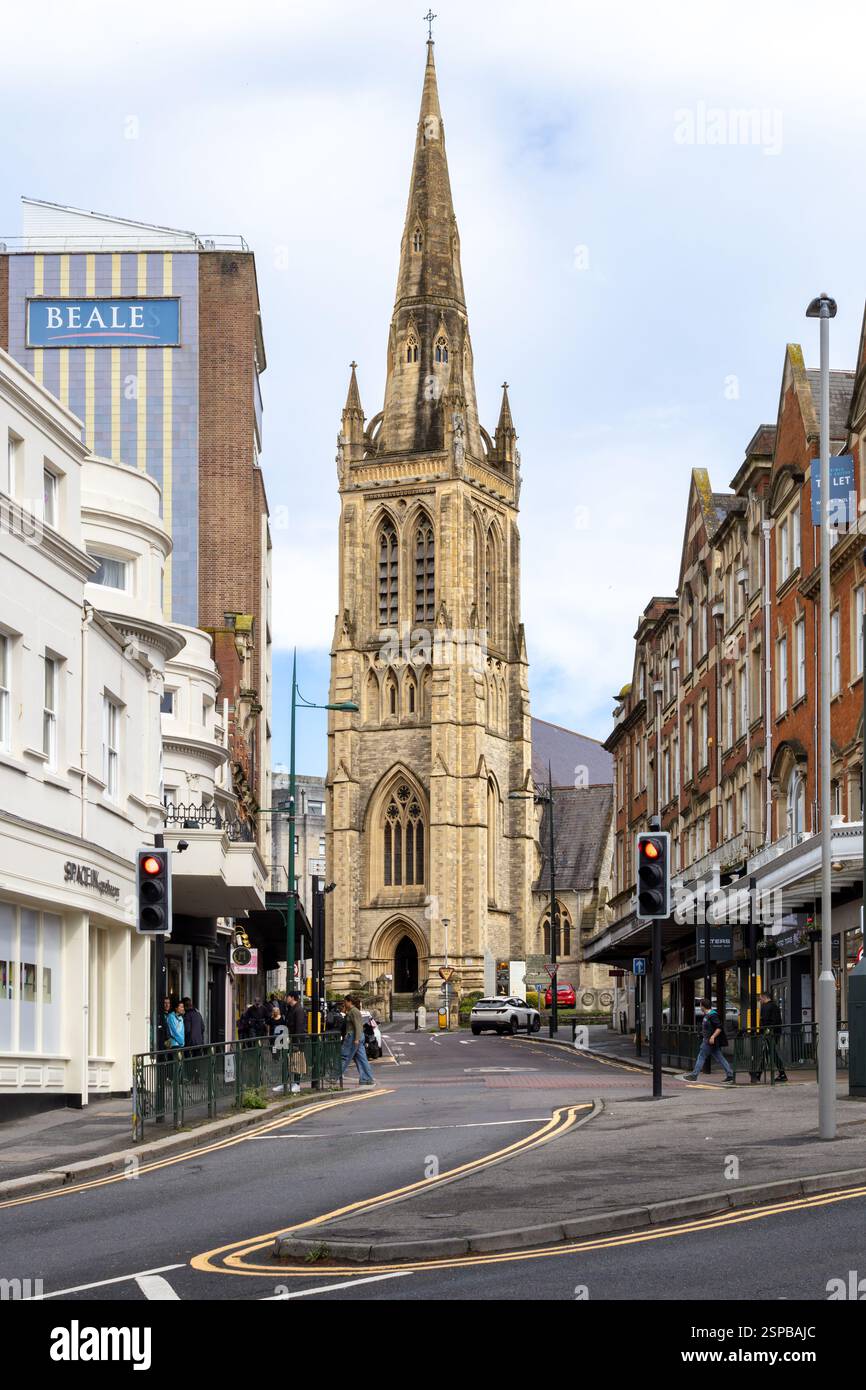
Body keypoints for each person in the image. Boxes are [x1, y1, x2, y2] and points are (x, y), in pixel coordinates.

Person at [682, 997, 734, 1084]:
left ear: (703, 1006)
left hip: (709, 1041)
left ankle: (694, 1075)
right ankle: (730, 1074)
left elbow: (719, 1027)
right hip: (709, 1040)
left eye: (700, 1005)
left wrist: (712, 1037)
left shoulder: (713, 1015)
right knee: (720, 1058)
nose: (700, 1007)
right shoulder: (708, 1015)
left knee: (701, 1056)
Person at [341, 995, 375, 1085]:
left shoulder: (354, 1011)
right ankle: (366, 1078)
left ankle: (334, 1076)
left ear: (349, 1002)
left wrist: (356, 1039)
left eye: (345, 1002)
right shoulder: (352, 1011)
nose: (344, 1003)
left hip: (353, 1037)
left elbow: (358, 1026)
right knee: (361, 1059)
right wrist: (345, 1012)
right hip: (356, 1036)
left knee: (344, 1056)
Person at [759, 990, 788, 1082]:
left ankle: (757, 1073)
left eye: (760, 998)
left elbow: (765, 1021)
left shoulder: (766, 1007)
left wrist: (764, 1031)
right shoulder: (774, 1006)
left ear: (764, 997)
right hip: (774, 1033)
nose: (760, 1000)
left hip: (769, 1033)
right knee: (769, 1053)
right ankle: (758, 1073)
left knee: (769, 1053)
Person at [284, 990, 307, 1094]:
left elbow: (299, 1027)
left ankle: (297, 1084)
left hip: (296, 1040)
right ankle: (288, 1083)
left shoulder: (299, 1010)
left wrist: (296, 1042)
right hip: (291, 1039)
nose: (286, 998)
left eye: (287, 996)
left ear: (292, 997)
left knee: (297, 1061)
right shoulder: (291, 1008)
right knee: (290, 1062)